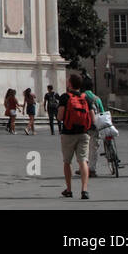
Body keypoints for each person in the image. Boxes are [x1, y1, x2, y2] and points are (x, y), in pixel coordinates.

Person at [57, 71, 95, 199]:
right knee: (83, 161)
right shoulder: (86, 98)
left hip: (68, 133)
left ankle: (69, 189)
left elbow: (60, 116)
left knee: (67, 162)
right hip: (84, 134)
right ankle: (84, 190)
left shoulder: (65, 97)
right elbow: (92, 118)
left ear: (70, 84)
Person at [82, 84, 106, 177]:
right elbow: (102, 112)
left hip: (84, 127)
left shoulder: (82, 98)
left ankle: (83, 167)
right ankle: (92, 169)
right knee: (94, 148)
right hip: (95, 126)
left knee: (84, 148)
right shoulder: (97, 99)